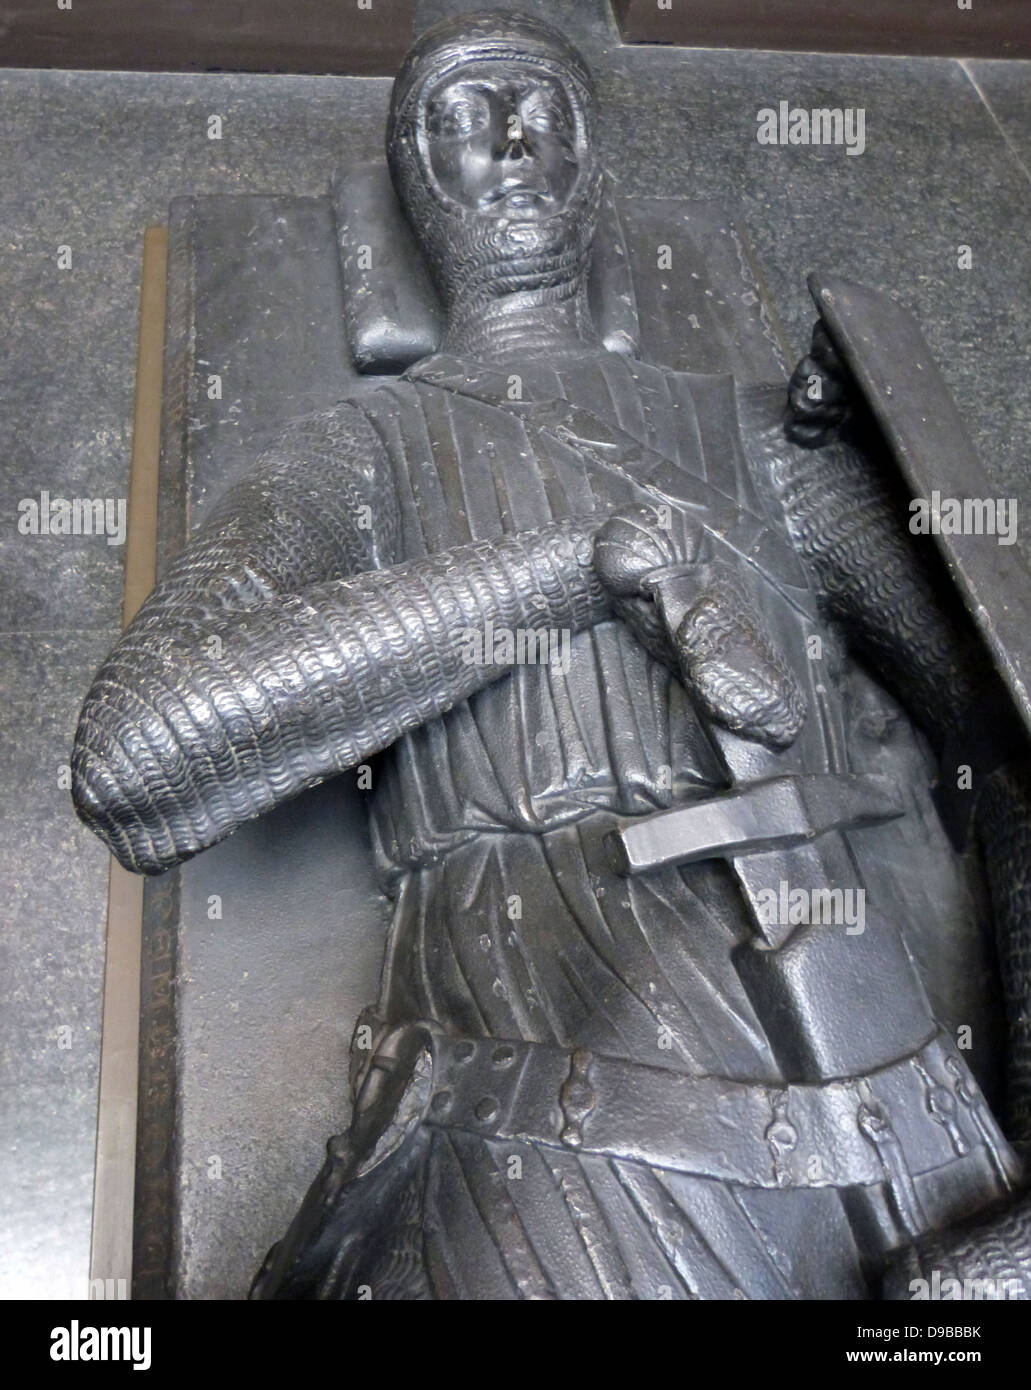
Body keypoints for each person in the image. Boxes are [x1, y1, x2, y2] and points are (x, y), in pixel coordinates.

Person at [73, 12, 1029, 1299]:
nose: (512, 143)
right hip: (540, 1091)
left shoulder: (765, 444)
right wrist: (564, 567)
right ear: (413, 186)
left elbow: (1007, 745)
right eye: (462, 116)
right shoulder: (356, 450)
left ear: (593, 163)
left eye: (544, 108)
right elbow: (141, 749)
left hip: (886, 1111)